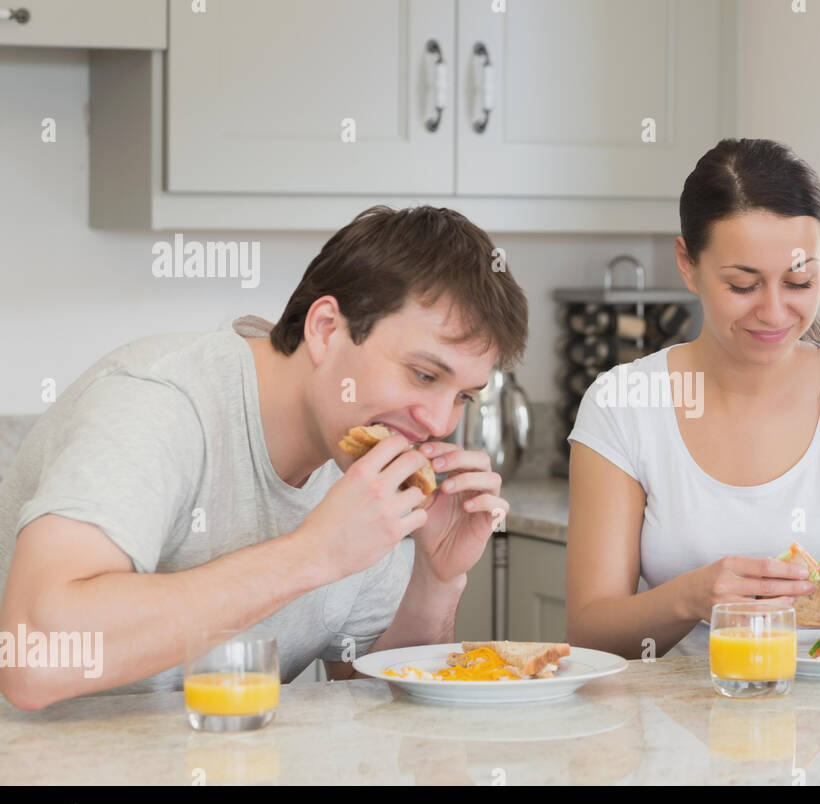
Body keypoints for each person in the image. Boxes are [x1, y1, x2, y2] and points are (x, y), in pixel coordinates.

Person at [0, 205, 528, 709]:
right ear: (325, 330)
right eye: (424, 375)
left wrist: (436, 579)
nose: (439, 424)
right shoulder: (160, 402)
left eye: (463, 395)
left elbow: (374, 697)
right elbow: (34, 659)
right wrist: (314, 554)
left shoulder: (362, 462)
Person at [565, 138, 820, 659]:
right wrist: (690, 598)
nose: (774, 311)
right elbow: (589, 631)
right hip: (669, 732)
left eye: (798, 281)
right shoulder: (624, 404)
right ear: (687, 264)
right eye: (743, 285)